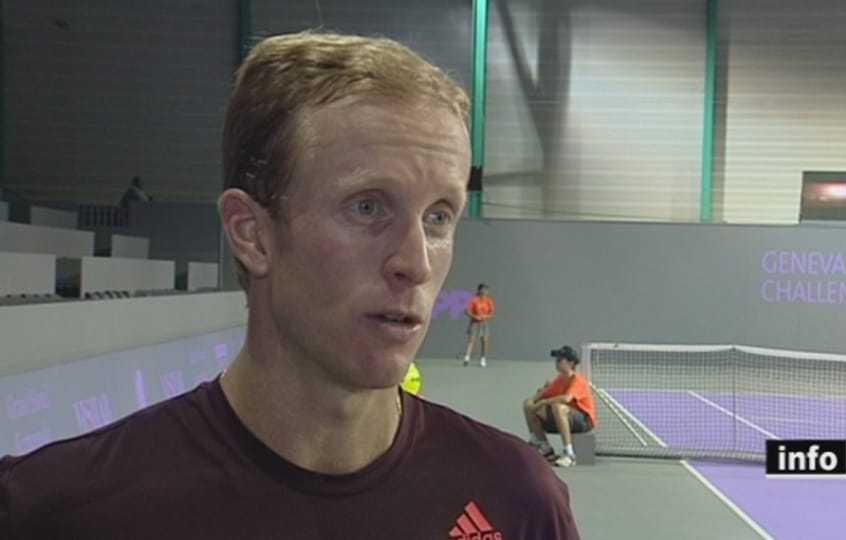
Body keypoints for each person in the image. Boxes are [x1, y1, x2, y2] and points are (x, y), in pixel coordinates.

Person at [0, 31, 581, 539]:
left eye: (438, 217)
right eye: (368, 207)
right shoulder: (58, 511)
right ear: (252, 234)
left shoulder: (518, 500)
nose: (415, 262)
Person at [524, 345, 598, 468]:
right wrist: (534, 399)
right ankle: (544, 447)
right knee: (529, 405)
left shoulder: (578, 380)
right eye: (556, 360)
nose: (556, 363)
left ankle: (569, 454)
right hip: (565, 418)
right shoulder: (559, 380)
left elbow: (566, 398)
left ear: (570, 363)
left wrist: (543, 402)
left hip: (584, 421)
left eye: (560, 360)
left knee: (558, 407)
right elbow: (542, 396)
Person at [462, 282, 495, 367]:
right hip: (474, 322)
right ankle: (467, 357)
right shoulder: (474, 300)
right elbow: (466, 311)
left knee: (484, 341)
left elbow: (492, 313)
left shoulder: (489, 301)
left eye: (486, 290)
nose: (484, 291)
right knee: (471, 340)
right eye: (482, 289)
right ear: (479, 290)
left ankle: (483, 359)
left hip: (484, 323)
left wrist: (485, 317)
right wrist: (475, 316)